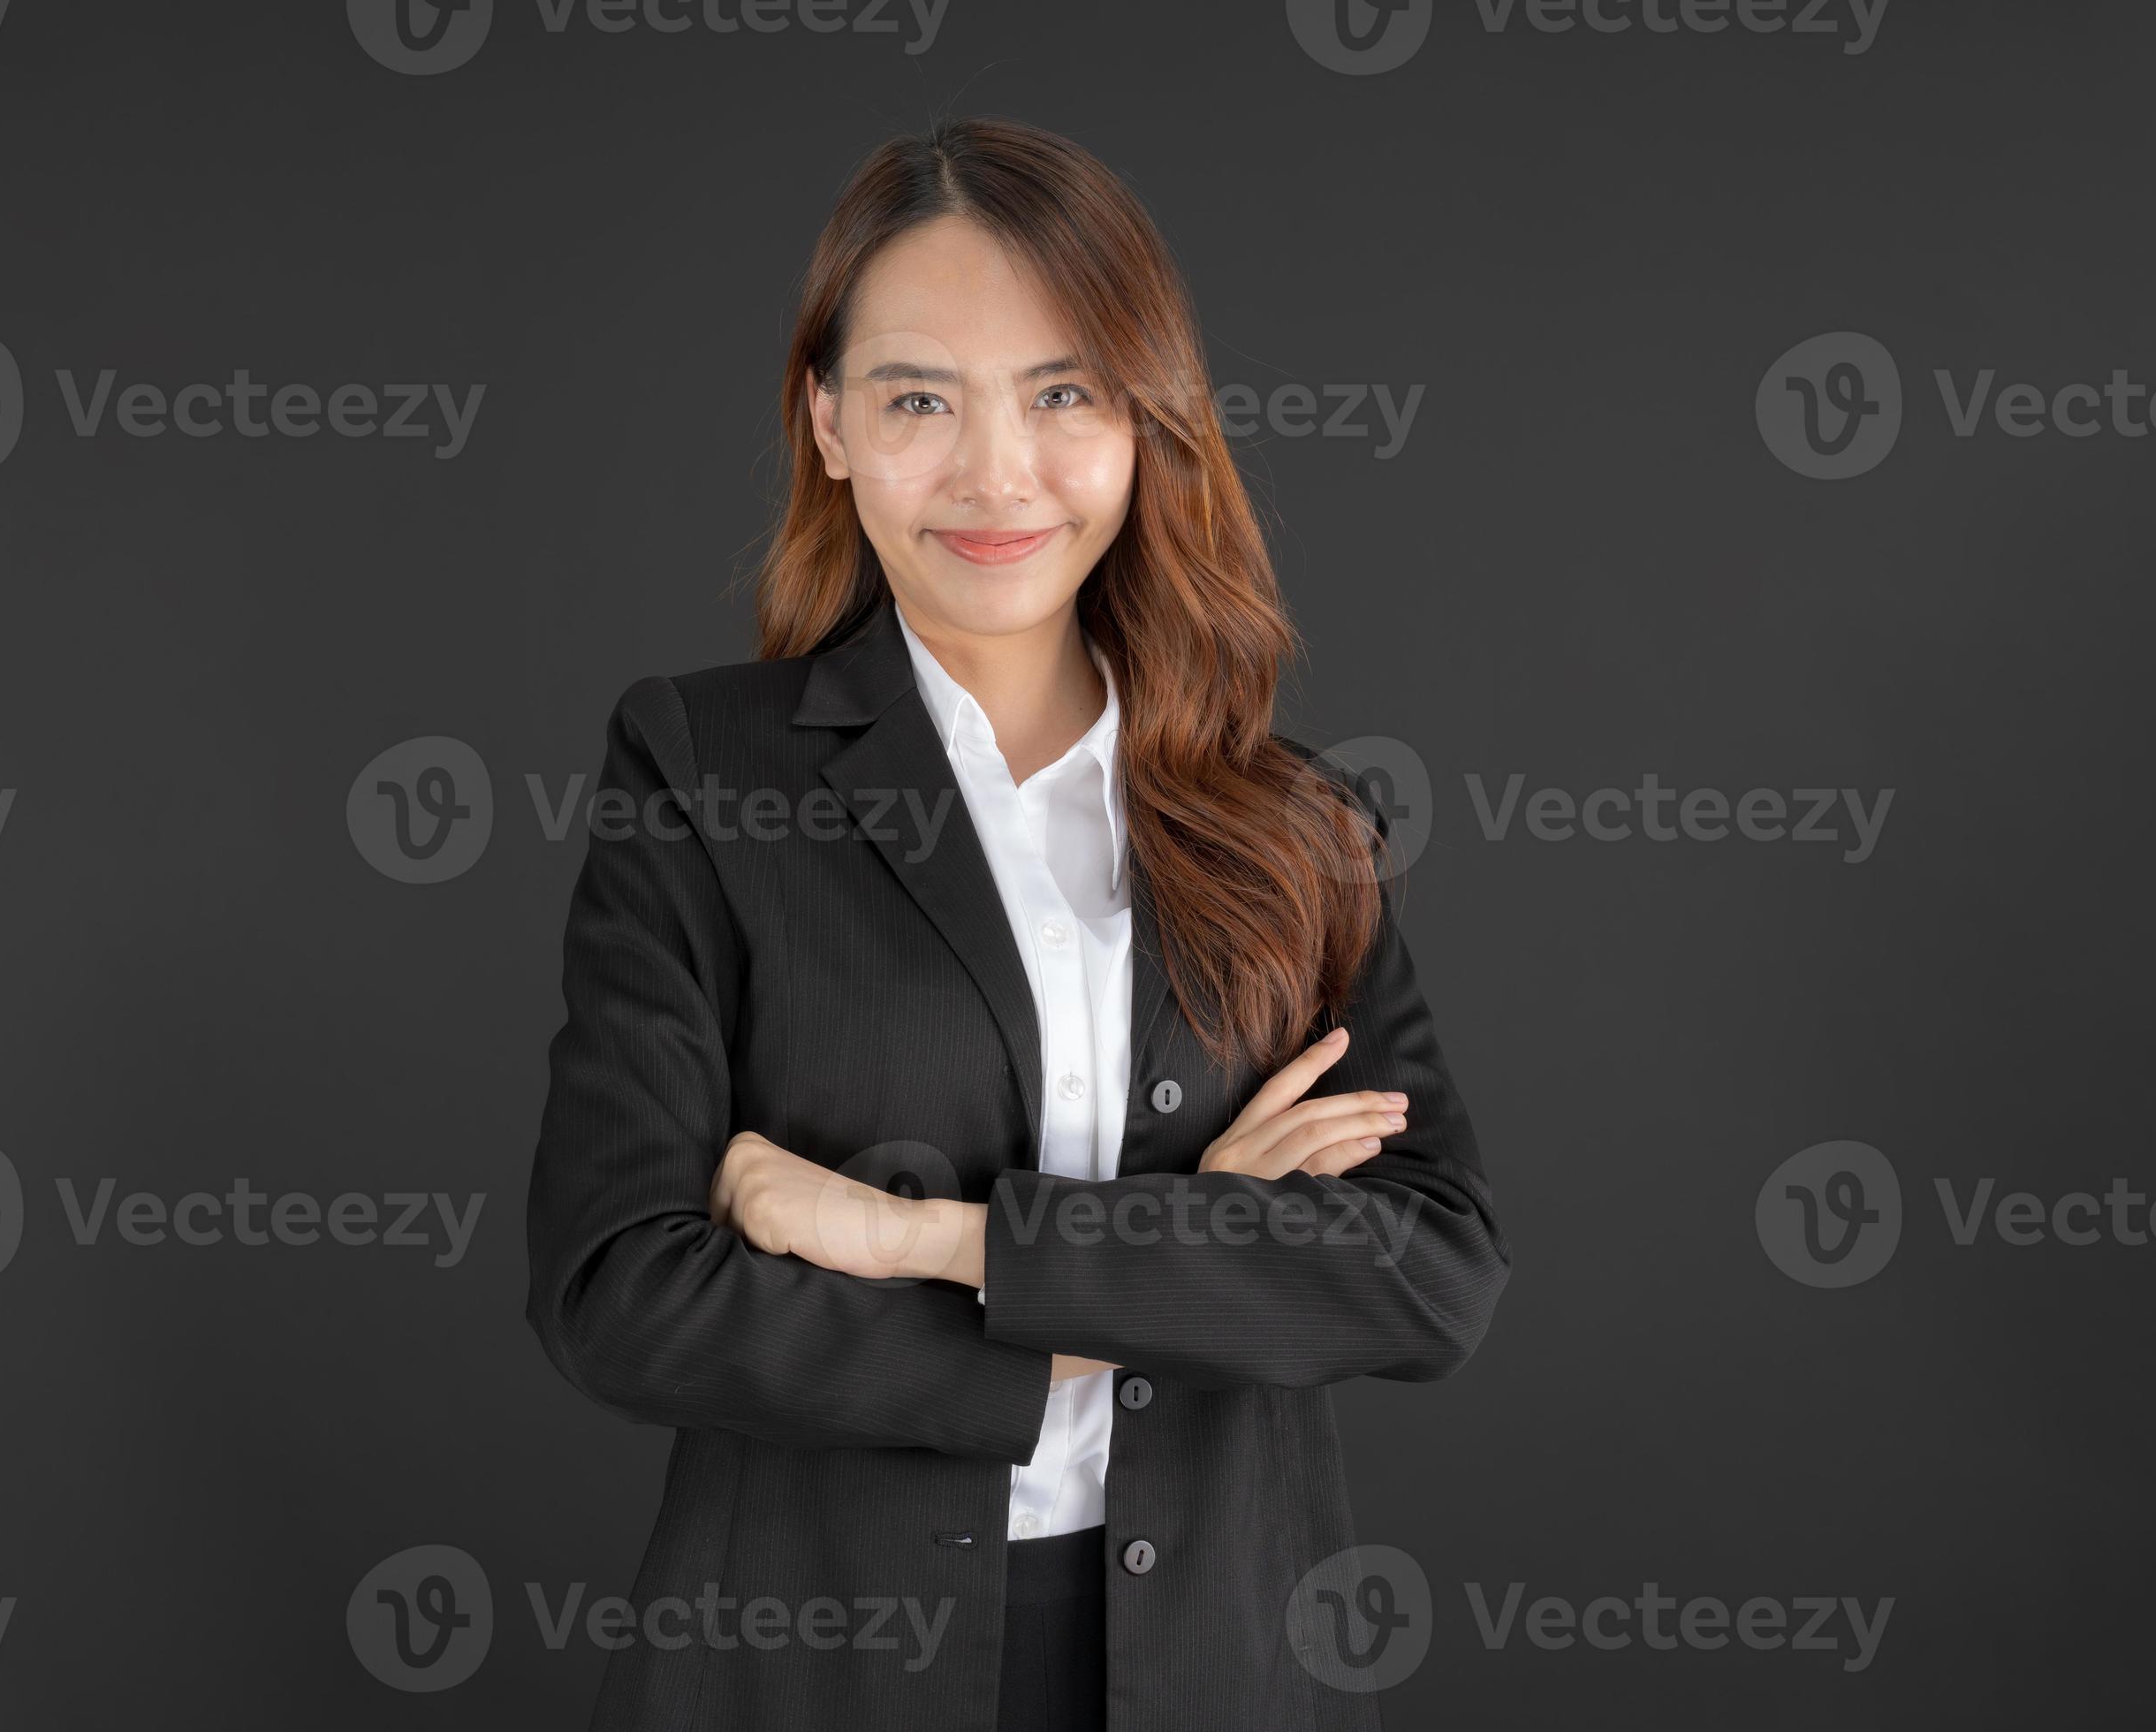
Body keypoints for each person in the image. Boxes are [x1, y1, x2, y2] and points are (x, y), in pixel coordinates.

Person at [523, 116, 1511, 1732]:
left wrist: (929, 1241)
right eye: (920, 399)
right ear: (828, 422)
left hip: (1226, 1663)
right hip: (815, 1670)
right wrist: (1176, 1261)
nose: (997, 475)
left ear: (1145, 424)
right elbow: (622, 1293)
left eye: (1064, 395)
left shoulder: (1294, 821)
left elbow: (1431, 1276)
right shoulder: (704, 770)